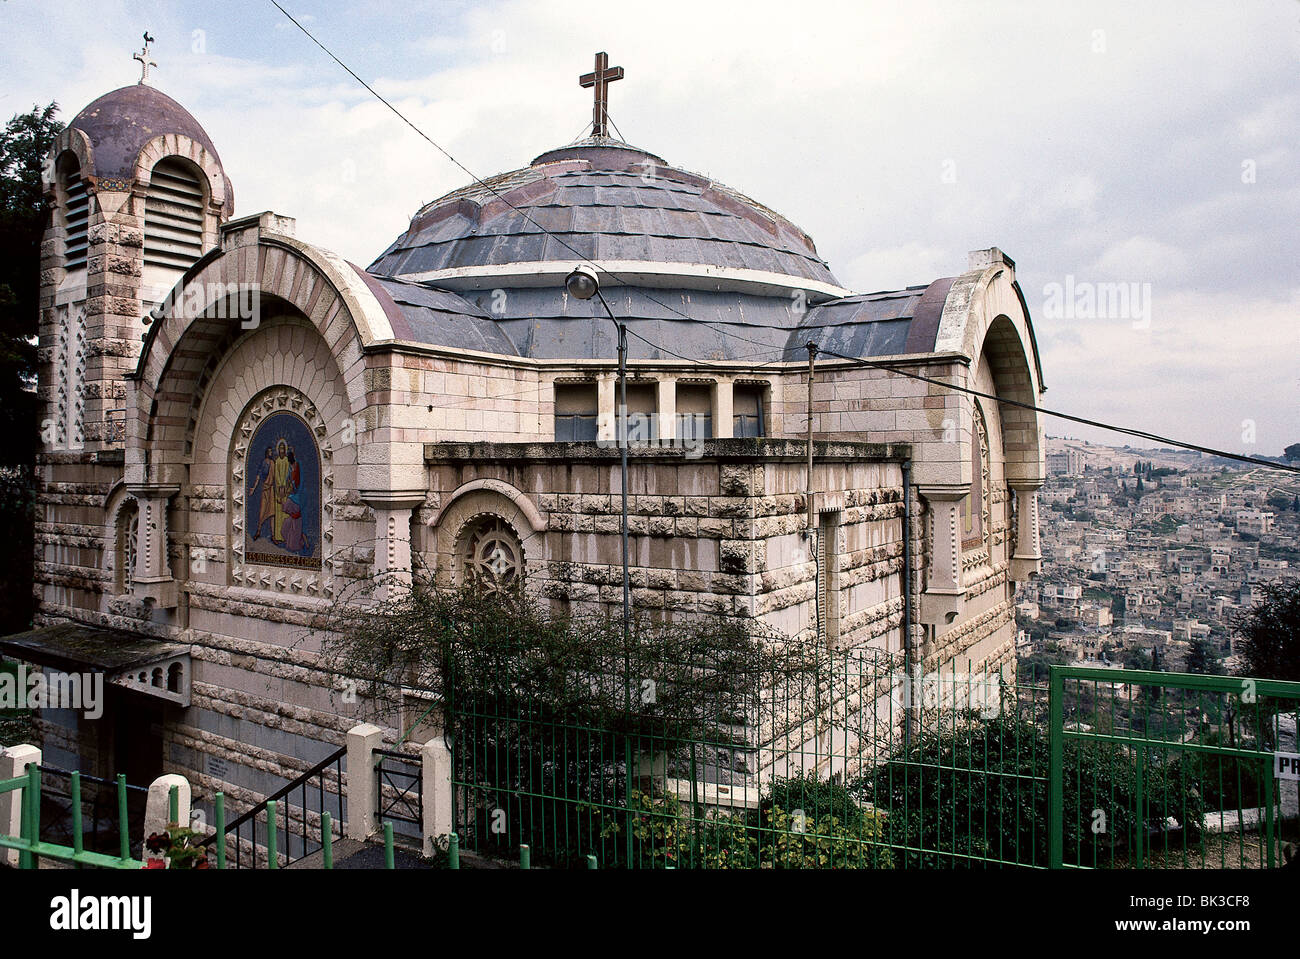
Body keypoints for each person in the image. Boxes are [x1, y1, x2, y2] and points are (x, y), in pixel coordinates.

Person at [249, 447, 275, 541]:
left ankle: (273, 535)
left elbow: (277, 477)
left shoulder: (273, 463)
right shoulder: (263, 463)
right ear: (266, 453)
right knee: (262, 511)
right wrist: (253, 488)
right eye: (269, 451)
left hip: (271, 489)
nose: (271, 453)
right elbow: (258, 476)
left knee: (272, 513)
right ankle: (258, 531)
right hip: (265, 489)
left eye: (271, 451)